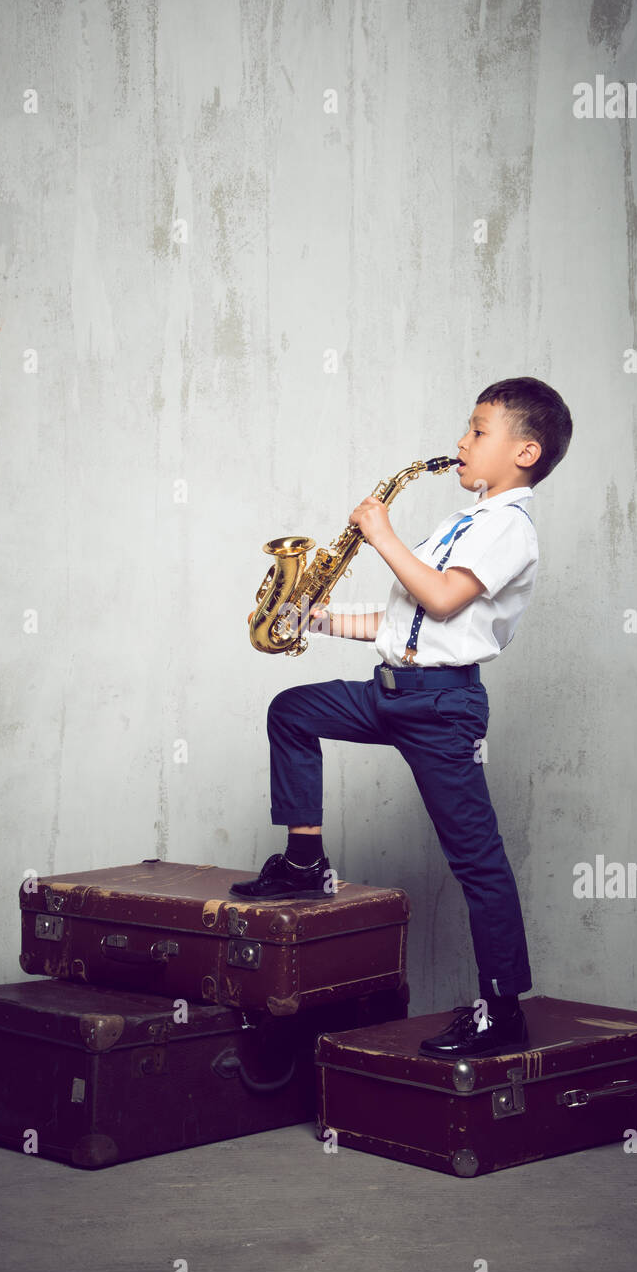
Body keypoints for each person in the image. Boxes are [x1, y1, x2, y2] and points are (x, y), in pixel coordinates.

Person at [233, 377, 573, 1059]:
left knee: (478, 864)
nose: (461, 443)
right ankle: (304, 863)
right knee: (292, 711)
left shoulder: (509, 526)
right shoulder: (463, 522)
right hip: (392, 690)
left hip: (442, 709)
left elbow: (443, 598)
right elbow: (403, 623)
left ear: (525, 452)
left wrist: (381, 534)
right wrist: (314, 617)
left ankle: (502, 1009)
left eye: (478, 431)